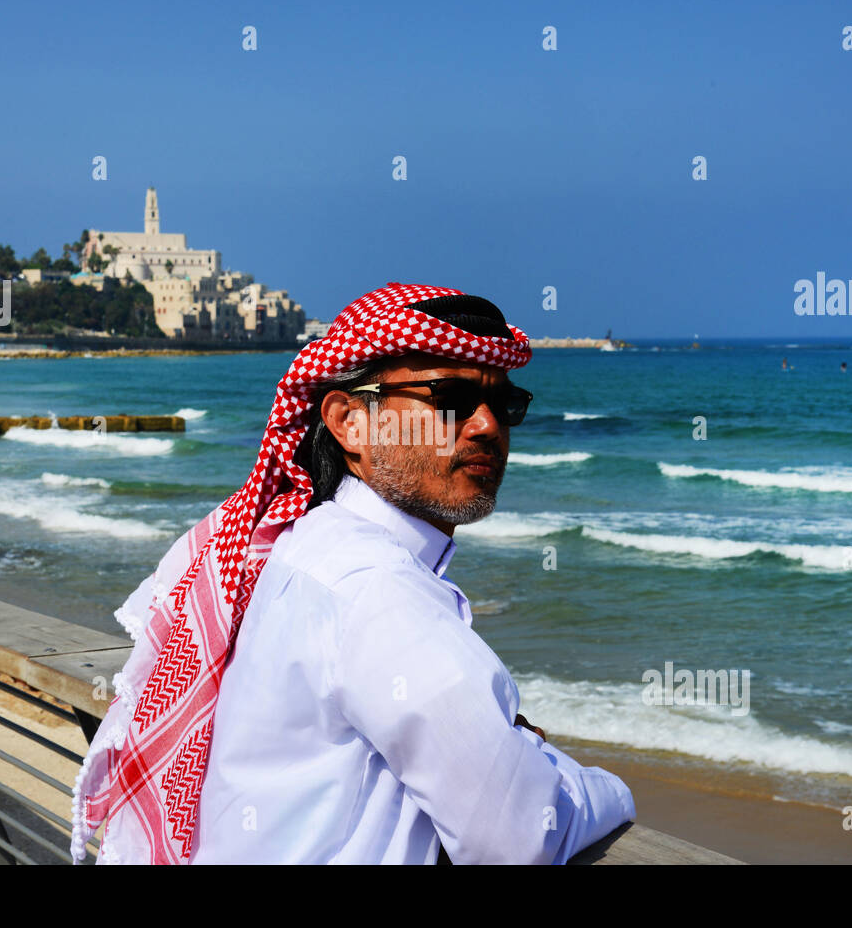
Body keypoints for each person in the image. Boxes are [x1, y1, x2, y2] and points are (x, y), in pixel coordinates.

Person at [71, 282, 635, 864]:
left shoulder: (306, 547)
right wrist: (609, 790)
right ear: (350, 422)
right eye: (451, 399)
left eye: (505, 404)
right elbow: (520, 835)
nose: (488, 426)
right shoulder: (375, 590)